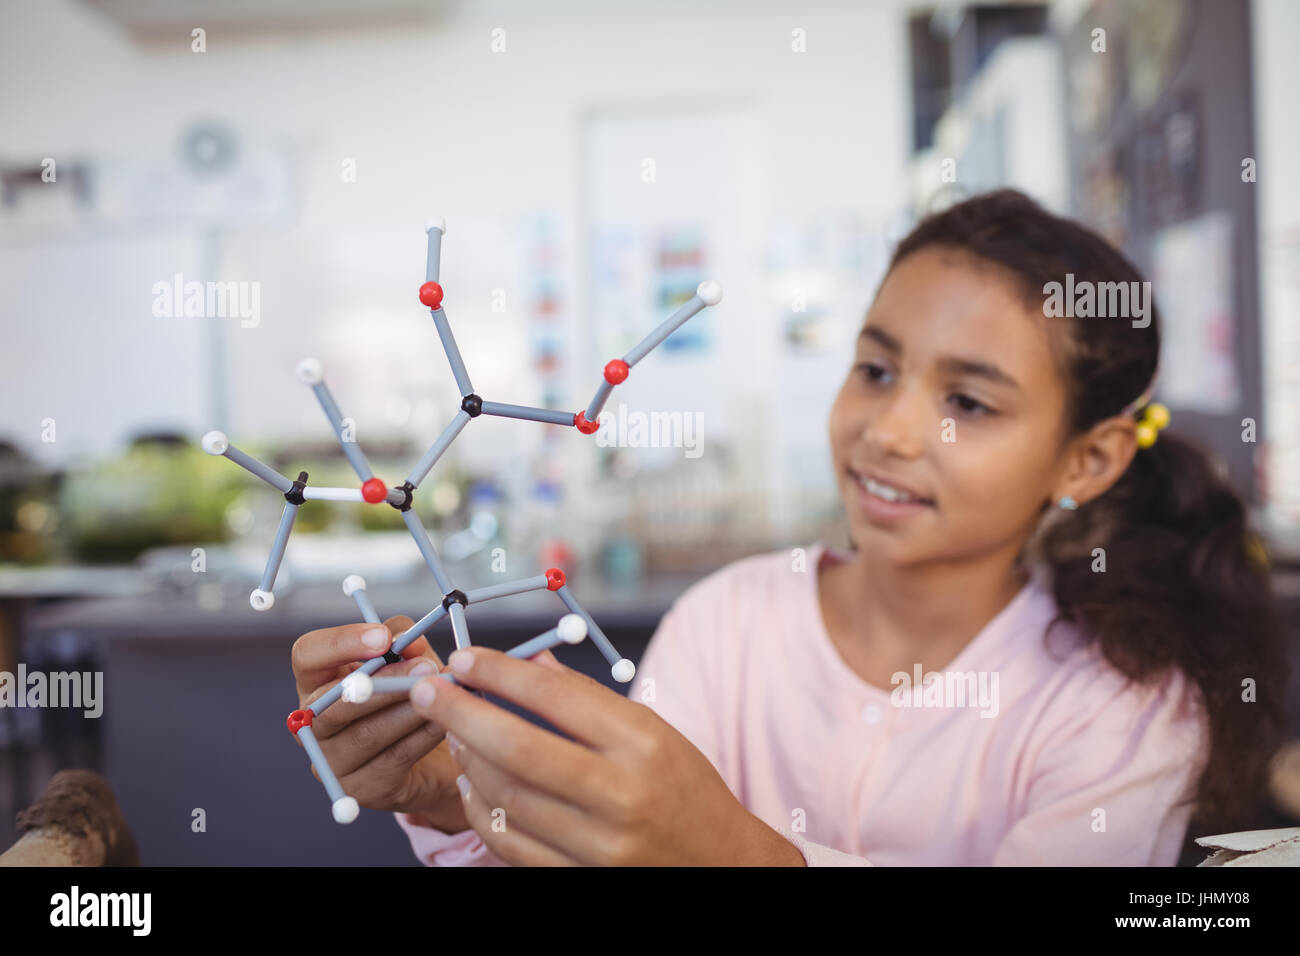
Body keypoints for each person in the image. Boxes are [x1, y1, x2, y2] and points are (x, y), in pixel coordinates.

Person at [290, 190, 1289, 865]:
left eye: (969, 403)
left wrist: (734, 851)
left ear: (1089, 459)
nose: (889, 429)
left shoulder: (1122, 705)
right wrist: (462, 803)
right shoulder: (732, 620)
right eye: (876, 368)